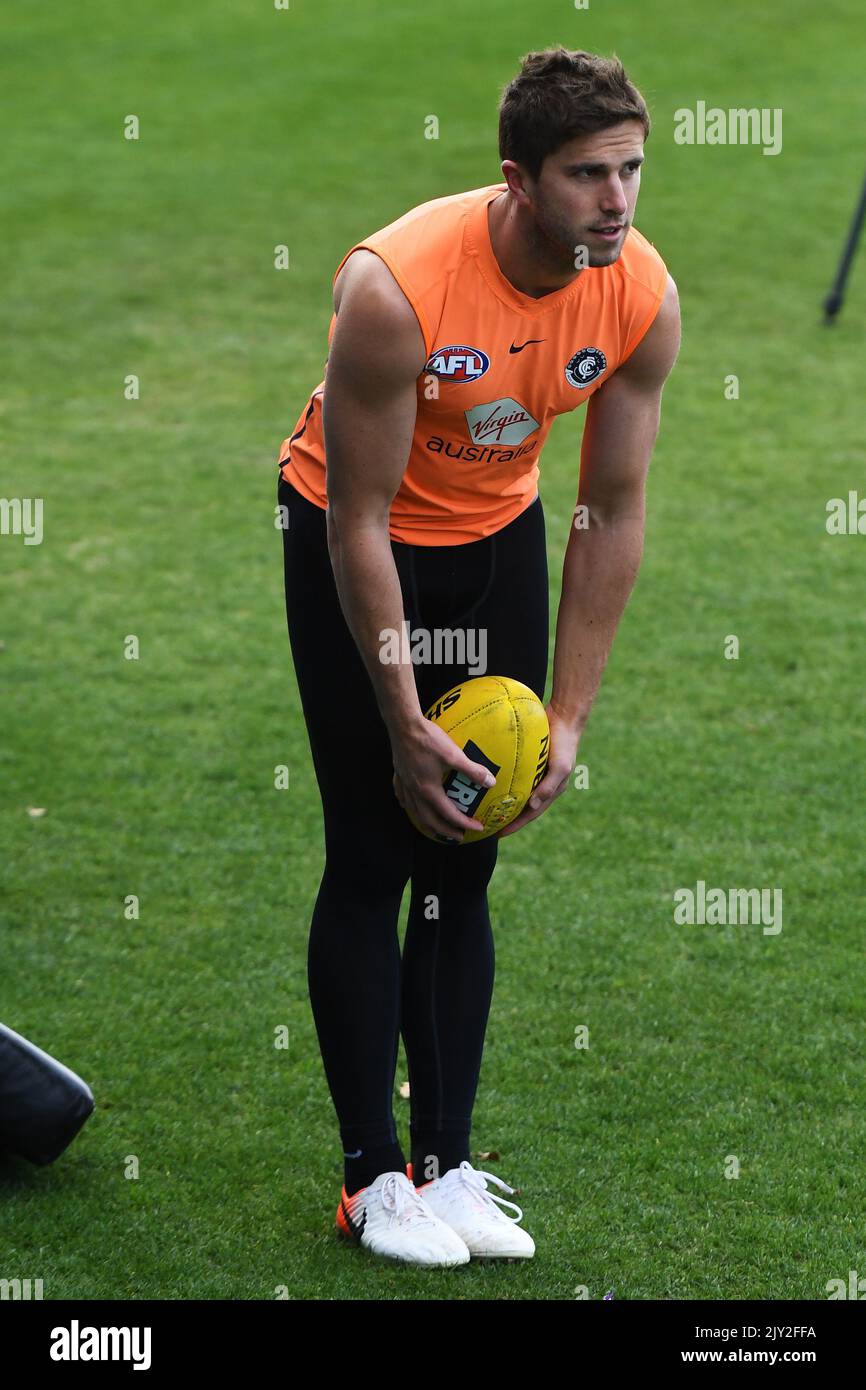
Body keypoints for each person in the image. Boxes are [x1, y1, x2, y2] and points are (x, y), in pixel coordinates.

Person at [277, 46, 681, 1268]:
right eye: (584, 176)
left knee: (469, 854)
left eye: (629, 171)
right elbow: (356, 520)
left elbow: (608, 507)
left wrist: (566, 715)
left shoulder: (637, 293)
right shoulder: (395, 291)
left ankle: (443, 1163)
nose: (614, 201)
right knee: (373, 849)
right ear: (516, 179)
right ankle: (368, 1181)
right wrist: (401, 715)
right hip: (361, 538)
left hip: (494, 537)